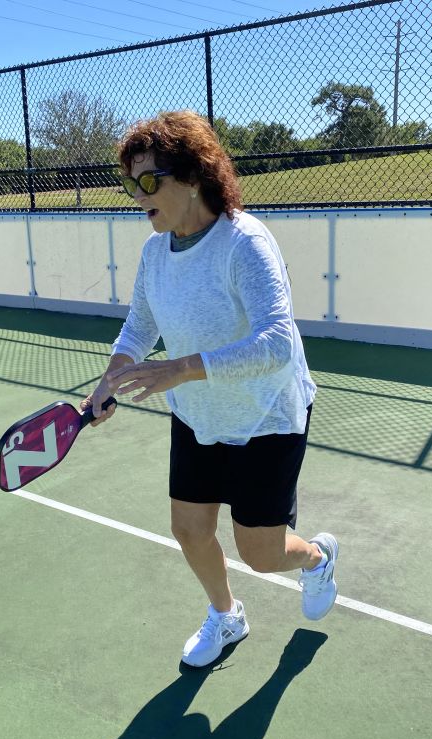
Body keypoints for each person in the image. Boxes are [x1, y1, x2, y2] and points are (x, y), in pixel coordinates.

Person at [82, 111, 338, 668]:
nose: (137, 195)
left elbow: (278, 343)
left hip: (264, 416)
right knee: (189, 528)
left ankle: (317, 557)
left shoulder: (245, 243)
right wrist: (110, 378)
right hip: (198, 415)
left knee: (263, 554)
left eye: (149, 181)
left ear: (193, 177)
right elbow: (139, 328)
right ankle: (226, 615)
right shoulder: (155, 253)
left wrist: (180, 369)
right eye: (130, 183)